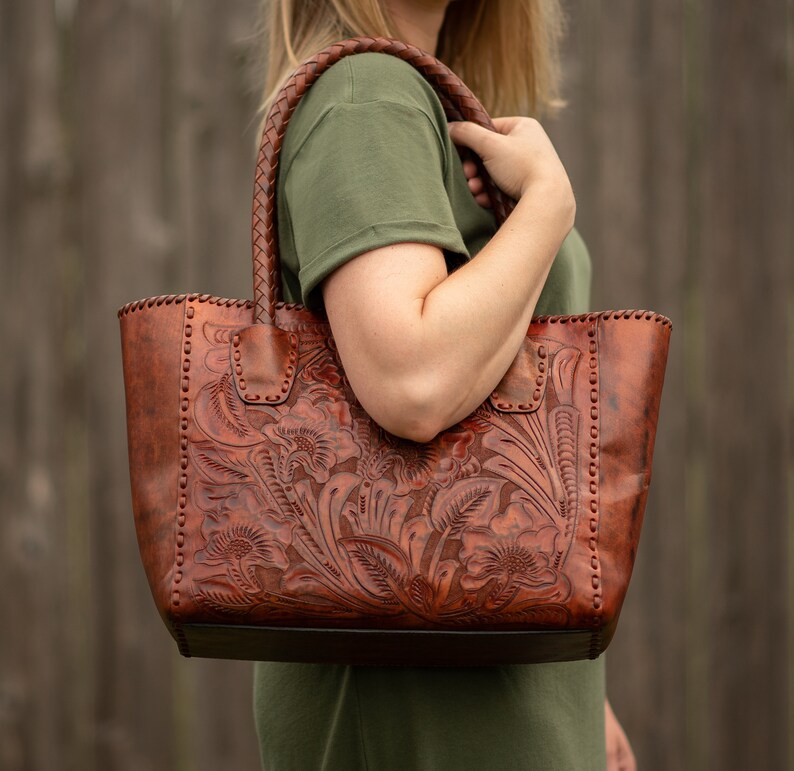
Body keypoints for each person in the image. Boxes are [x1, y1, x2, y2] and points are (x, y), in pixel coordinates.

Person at [254, 1, 636, 768]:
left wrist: (580, 702)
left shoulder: (416, 101)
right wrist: (549, 209)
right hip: (427, 713)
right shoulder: (370, 95)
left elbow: (499, 463)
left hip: (497, 687)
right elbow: (414, 379)